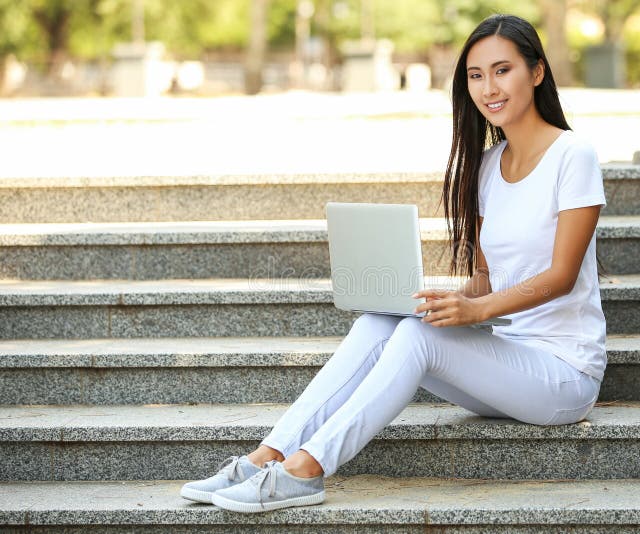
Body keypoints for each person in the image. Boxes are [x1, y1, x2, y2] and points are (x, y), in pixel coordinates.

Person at [180, 13, 607, 514]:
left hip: (563, 375)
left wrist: (478, 312)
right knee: (384, 320)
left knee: (417, 336)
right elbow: (488, 278)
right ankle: (267, 455)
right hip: (506, 362)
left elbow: (560, 276)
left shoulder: (573, 154)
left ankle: (306, 470)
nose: (488, 87)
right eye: (475, 75)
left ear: (536, 72)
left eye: (502, 70)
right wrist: (437, 299)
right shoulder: (490, 166)